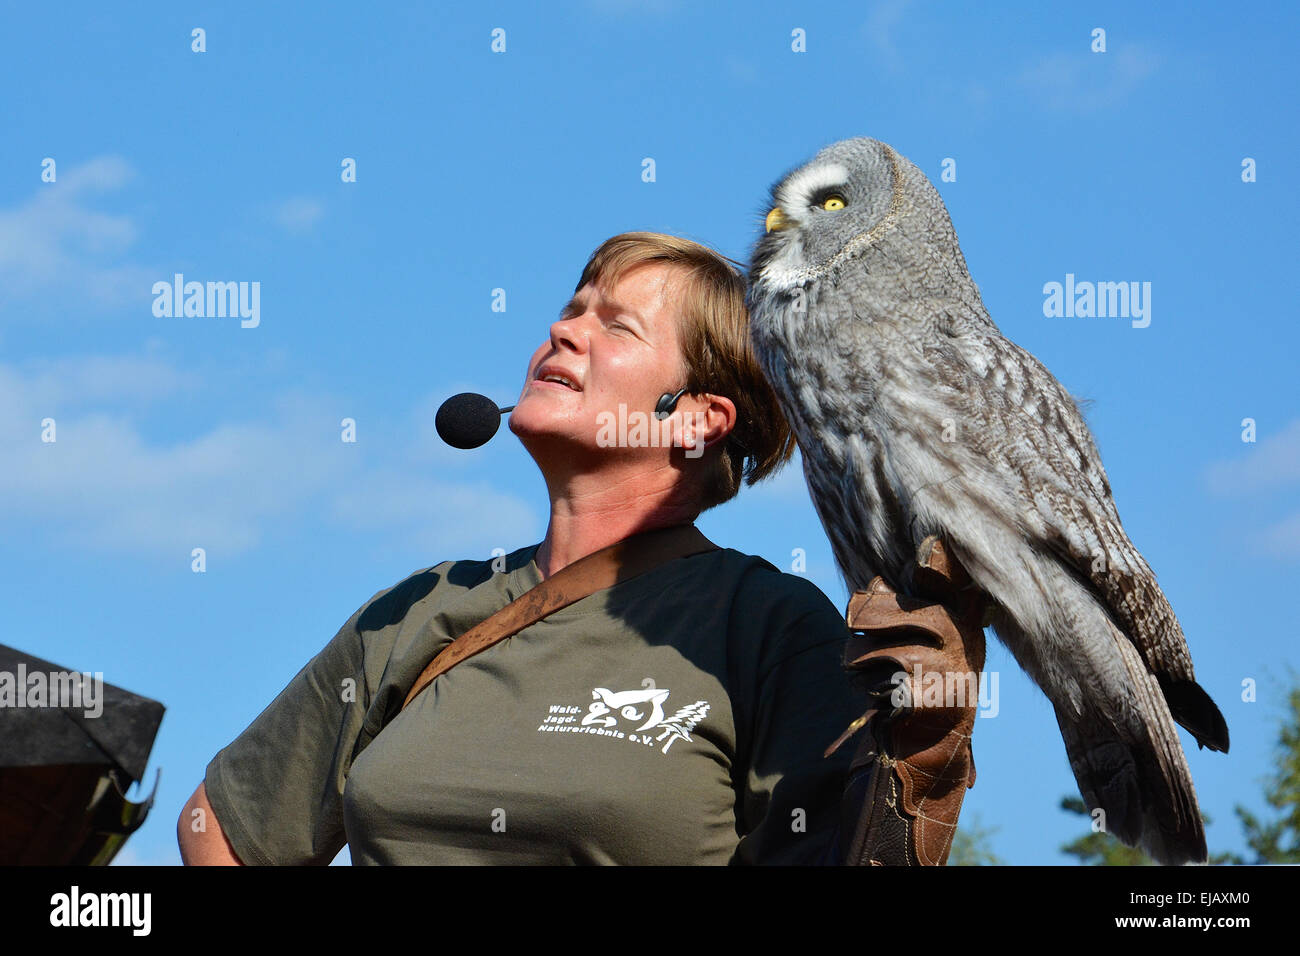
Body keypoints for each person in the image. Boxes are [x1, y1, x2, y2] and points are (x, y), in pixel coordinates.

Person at [178, 231, 869, 865]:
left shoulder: (771, 627)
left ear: (696, 419)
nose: (562, 330)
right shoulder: (422, 610)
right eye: (572, 310)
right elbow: (223, 829)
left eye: (615, 325)